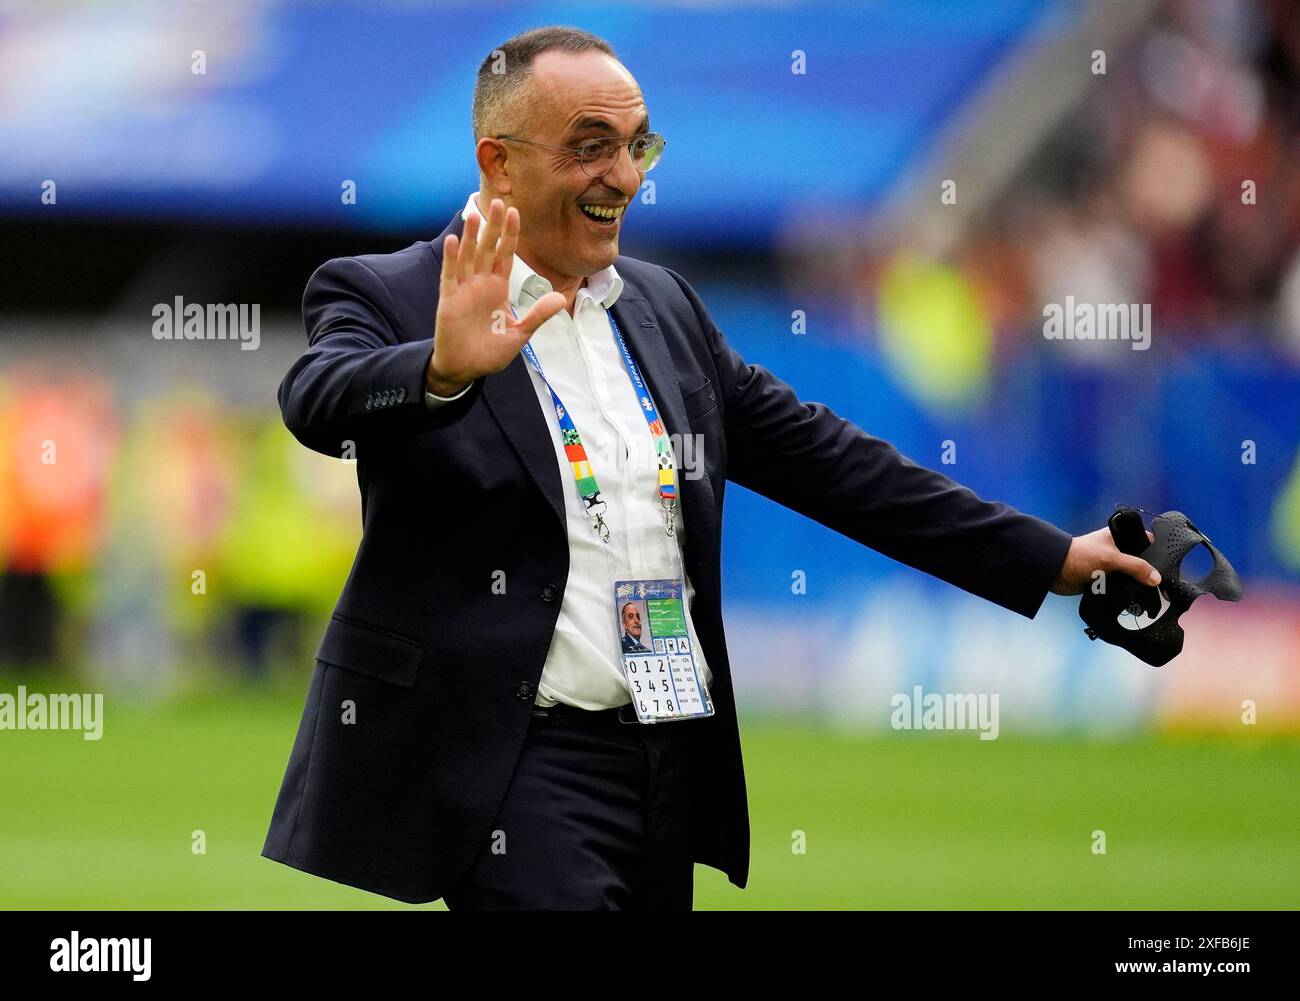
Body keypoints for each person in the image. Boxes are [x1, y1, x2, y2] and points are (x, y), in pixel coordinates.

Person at [261, 26, 1160, 910]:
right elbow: (318, 397)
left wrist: (1054, 558)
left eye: (636, 144)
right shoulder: (394, 292)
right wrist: (441, 368)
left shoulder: (660, 306)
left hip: (663, 756)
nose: (625, 175)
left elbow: (833, 463)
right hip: (509, 761)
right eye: (590, 147)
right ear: (498, 162)